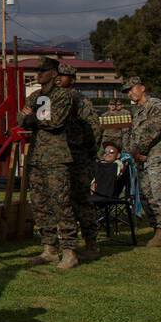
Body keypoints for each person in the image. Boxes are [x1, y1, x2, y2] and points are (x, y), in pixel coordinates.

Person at [19, 58, 81, 269]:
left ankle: (69, 250)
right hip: (36, 156)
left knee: (61, 203)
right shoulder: (35, 96)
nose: (39, 74)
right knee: (39, 204)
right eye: (37, 70)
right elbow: (21, 119)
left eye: (43, 70)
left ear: (54, 73)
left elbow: (56, 122)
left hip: (56, 157)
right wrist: (32, 118)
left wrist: (33, 118)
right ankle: (49, 247)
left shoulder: (63, 96)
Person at [121, 76, 161, 252]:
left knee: (160, 195)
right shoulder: (136, 110)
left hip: (157, 157)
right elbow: (131, 134)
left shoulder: (156, 105)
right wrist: (131, 152)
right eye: (127, 91)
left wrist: (138, 150)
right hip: (140, 159)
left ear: (142, 88)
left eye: (132, 89)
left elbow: (151, 131)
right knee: (146, 197)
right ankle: (159, 232)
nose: (130, 93)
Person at [57, 62, 103, 260]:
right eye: (57, 75)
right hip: (61, 157)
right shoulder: (54, 100)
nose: (59, 78)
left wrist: (89, 152)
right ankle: (64, 244)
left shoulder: (80, 101)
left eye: (64, 75)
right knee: (63, 201)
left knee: (81, 201)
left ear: (72, 79)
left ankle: (91, 244)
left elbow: (94, 129)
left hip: (79, 158)